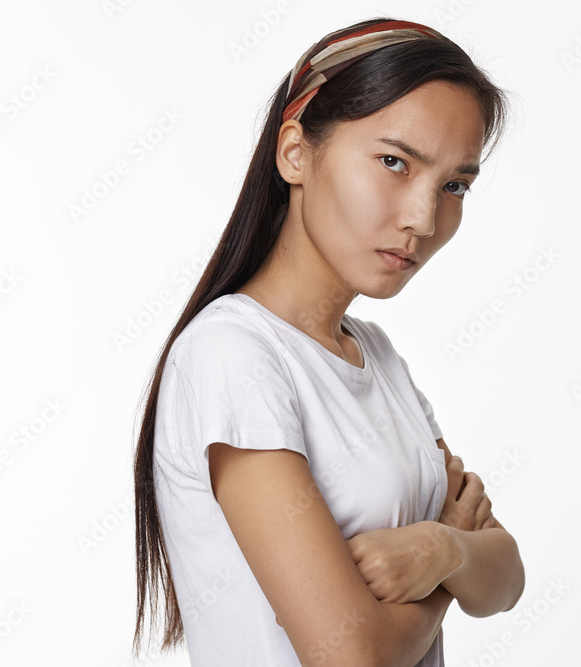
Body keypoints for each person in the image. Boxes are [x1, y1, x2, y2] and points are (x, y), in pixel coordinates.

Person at [132, 17, 524, 666]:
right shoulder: (234, 355)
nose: (423, 218)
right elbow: (350, 657)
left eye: (454, 185)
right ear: (295, 150)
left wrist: (443, 550)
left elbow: (505, 577)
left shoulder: (380, 359)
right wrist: (451, 548)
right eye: (395, 162)